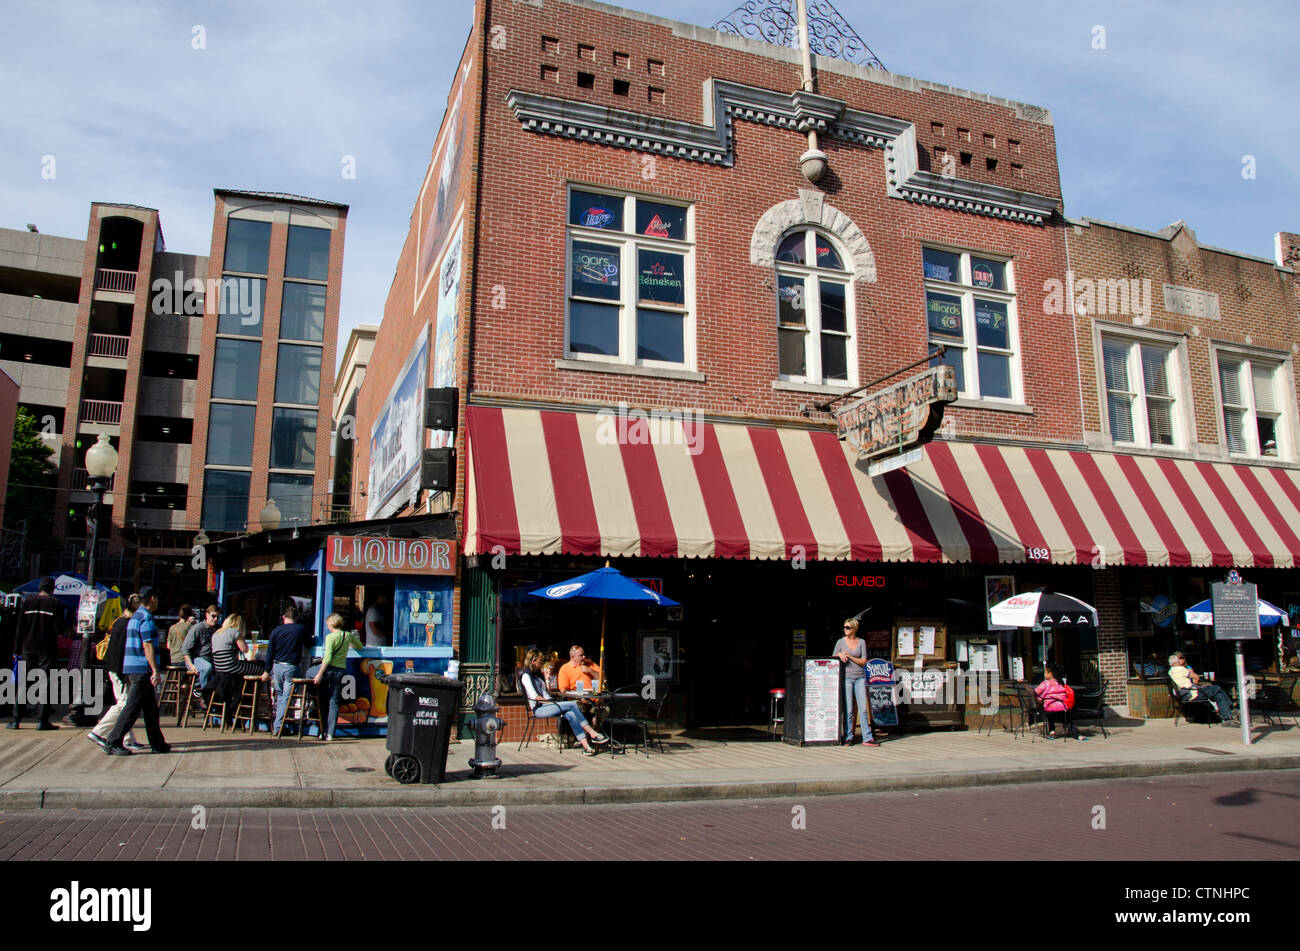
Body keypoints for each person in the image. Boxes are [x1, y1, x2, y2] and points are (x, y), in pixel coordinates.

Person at [103, 587, 170, 755]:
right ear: (152, 598)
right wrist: (155, 669)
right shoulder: (146, 618)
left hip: (133, 666)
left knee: (150, 710)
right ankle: (113, 741)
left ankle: (157, 743)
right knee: (132, 707)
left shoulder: (135, 617)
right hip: (142, 668)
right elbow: (147, 645)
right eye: (157, 598)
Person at [519, 649, 609, 755]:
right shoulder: (526, 676)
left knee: (570, 713)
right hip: (539, 708)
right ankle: (592, 733)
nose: (542, 663)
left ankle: (586, 746)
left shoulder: (537, 675)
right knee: (572, 704)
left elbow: (546, 693)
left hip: (548, 704)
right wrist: (552, 703)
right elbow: (535, 697)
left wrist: (547, 679)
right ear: (533, 661)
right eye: (540, 661)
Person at [8, 577, 68, 730]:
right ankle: (42, 720)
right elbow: (59, 629)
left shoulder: (27, 603)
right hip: (47, 649)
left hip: (27, 648)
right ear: (53, 589)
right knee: (46, 684)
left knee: (24, 684)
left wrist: (16, 650)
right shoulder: (56, 604)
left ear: (39, 588)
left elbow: (19, 629)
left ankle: (16, 719)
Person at [88, 594, 145, 751]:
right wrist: (123, 674)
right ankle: (98, 732)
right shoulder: (128, 624)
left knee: (125, 703)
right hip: (119, 670)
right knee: (124, 704)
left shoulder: (119, 621)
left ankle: (128, 738)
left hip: (114, 669)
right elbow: (120, 652)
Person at [308, 613, 363, 741]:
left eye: (327, 624)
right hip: (340, 671)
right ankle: (330, 733)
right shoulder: (347, 635)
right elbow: (359, 646)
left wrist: (319, 673)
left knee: (309, 674)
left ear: (330, 624)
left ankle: (310, 696)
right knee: (334, 701)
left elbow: (327, 658)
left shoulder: (330, 637)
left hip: (328, 670)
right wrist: (349, 645)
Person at [266, 605, 315, 735]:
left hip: (277, 666)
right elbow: (310, 643)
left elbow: (270, 652)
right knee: (286, 698)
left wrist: (267, 669)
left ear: (283, 617)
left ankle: (281, 725)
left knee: (280, 696)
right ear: (297, 618)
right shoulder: (300, 629)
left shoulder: (276, 631)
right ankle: (278, 727)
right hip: (291, 667)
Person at [834, 618, 877, 746]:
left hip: (860, 677)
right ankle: (848, 736)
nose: (845, 630)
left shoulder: (861, 642)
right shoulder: (840, 642)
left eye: (847, 627)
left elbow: (864, 661)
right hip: (847, 677)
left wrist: (850, 656)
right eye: (844, 627)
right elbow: (832, 657)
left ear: (854, 629)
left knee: (863, 708)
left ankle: (867, 737)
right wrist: (839, 655)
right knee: (848, 709)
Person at [1168, 652, 1234, 723]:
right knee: (1217, 688)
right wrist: (1191, 672)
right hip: (1193, 693)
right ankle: (1230, 708)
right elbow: (1196, 677)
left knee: (1219, 695)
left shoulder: (1170, 671)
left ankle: (1227, 717)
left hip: (1184, 694)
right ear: (1176, 662)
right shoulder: (1180, 669)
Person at [211, 614, 271, 680]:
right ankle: (266, 689)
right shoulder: (234, 632)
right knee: (264, 668)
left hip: (219, 667)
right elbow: (245, 649)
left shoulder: (217, 633)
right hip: (231, 666)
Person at [1034, 662, 1081, 739]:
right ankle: (1076, 734)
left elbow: (1035, 692)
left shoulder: (1045, 683)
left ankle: (1052, 731)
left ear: (1050, 674)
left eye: (1045, 672)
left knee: (1049, 713)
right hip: (1063, 705)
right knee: (1065, 719)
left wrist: (1039, 699)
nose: (1044, 674)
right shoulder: (1060, 682)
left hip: (1050, 705)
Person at [182, 605, 220, 694]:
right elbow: (185, 649)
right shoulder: (197, 628)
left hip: (212, 659)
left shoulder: (218, 628)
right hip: (197, 659)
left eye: (218, 617)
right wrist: (191, 665)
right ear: (207, 615)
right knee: (207, 668)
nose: (215, 619)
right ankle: (202, 692)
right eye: (213, 616)